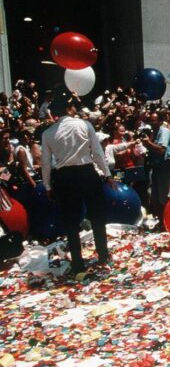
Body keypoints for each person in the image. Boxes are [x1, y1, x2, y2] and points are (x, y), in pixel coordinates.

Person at [41, 87, 115, 274]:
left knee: (70, 222)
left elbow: (46, 163)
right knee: (97, 216)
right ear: (68, 109)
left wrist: (48, 185)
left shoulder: (48, 133)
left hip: (64, 177)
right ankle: (103, 254)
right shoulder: (84, 125)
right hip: (86, 172)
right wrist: (107, 174)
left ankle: (77, 262)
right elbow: (97, 153)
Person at [141, 110, 170, 225]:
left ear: (160, 121)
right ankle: (163, 222)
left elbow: (162, 149)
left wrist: (148, 143)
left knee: (163, 197)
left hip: (165, 167)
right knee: (155, 198)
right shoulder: (154, 132)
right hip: (156, 167)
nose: (152, 123)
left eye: (154, 121)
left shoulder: (164, 131)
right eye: (150, 121)